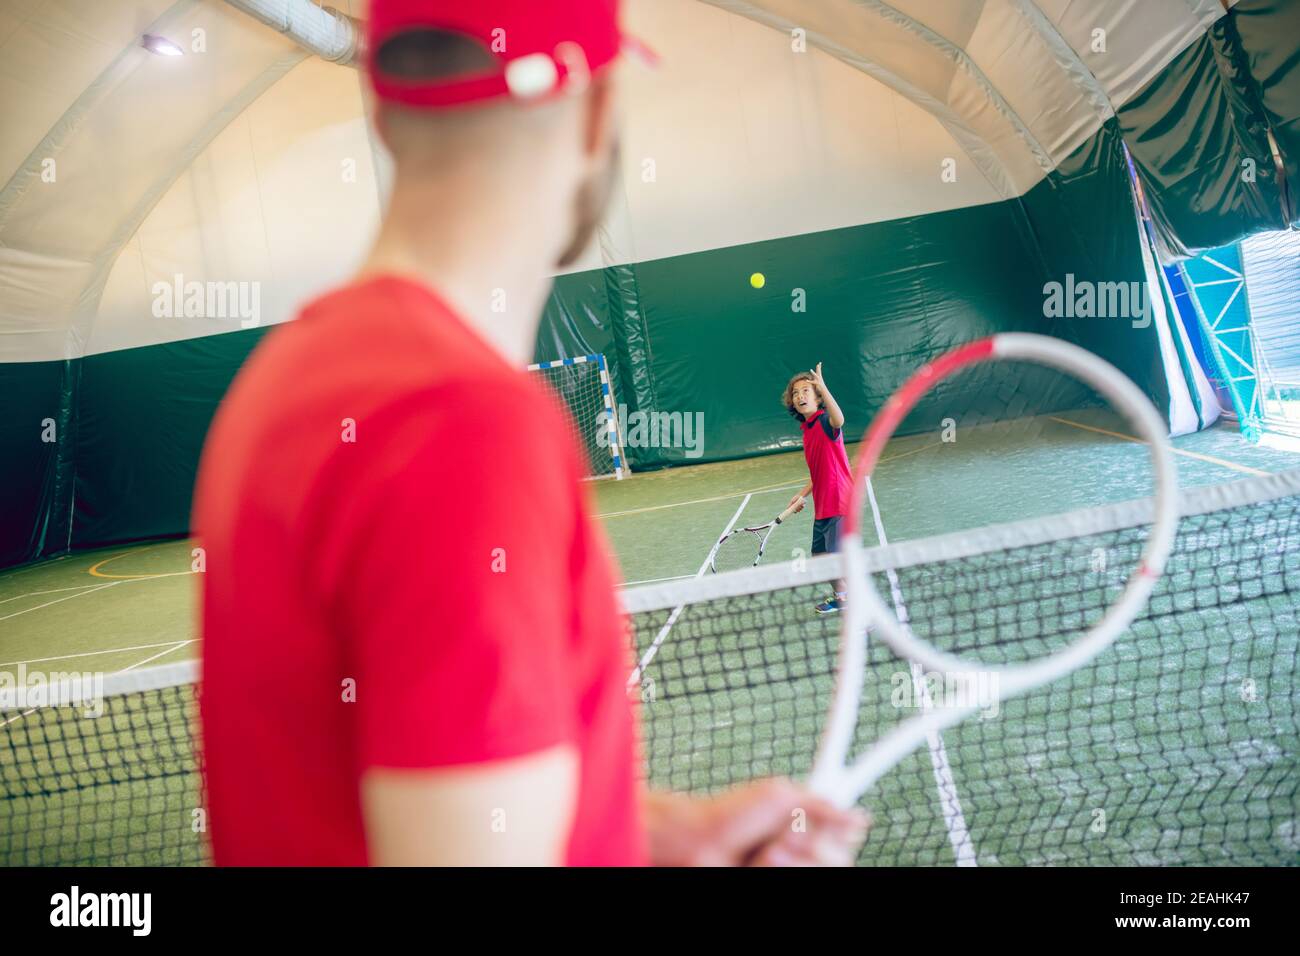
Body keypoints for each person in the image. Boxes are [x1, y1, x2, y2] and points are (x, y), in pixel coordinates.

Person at [193, 0, 868, 866]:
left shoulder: (278, 388)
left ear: (382, 113)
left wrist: (659, 837)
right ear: (593, 113)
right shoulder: (461, 428)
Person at [783, 363, 853, 613]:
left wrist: (823, 385)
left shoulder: (824, 421)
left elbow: (839, 419)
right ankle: (842, 598)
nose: (800, 395)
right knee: (822, 559)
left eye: (806, 390)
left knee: (835, 560)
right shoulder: (807, 430)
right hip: (823, 506)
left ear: (818, 398)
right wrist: (801, 494)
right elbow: (819, 472)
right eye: (795, 393)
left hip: (840, 501)